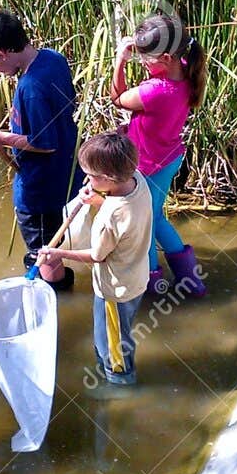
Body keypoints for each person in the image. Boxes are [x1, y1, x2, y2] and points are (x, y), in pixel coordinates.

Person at [0, 11, 82, 291]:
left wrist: (2, 139)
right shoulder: (53, 58)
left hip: (40, 187)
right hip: (64, 171)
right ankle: (47, 265)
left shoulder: (30, 87)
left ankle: (56, 290)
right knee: (49, 237)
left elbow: (46, 144)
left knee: (43, 247)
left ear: (3, 53)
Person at [36, 130, 152, 392]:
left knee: (112, 344)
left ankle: (120, 383)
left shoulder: (111, 215)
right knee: (112, 333)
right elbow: (122, 211)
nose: (86, 180)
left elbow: (96, 256)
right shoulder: (137, 179)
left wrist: (58, 254)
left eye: (90, 176)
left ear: (108, 178)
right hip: (136, 277)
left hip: (115, 290)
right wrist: (99, 199)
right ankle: (112, 370)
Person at [110, 15, 208, 299]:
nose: (143, 64)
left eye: (146, 59)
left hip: (148, 166)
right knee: (155, 218)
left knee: (145, 224)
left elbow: (117, 98)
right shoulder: (186, 71)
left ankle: (153, 284)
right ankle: (190, 279)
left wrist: (120, 61)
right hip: (168, 157)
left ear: (166, 57)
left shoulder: (155, 91)